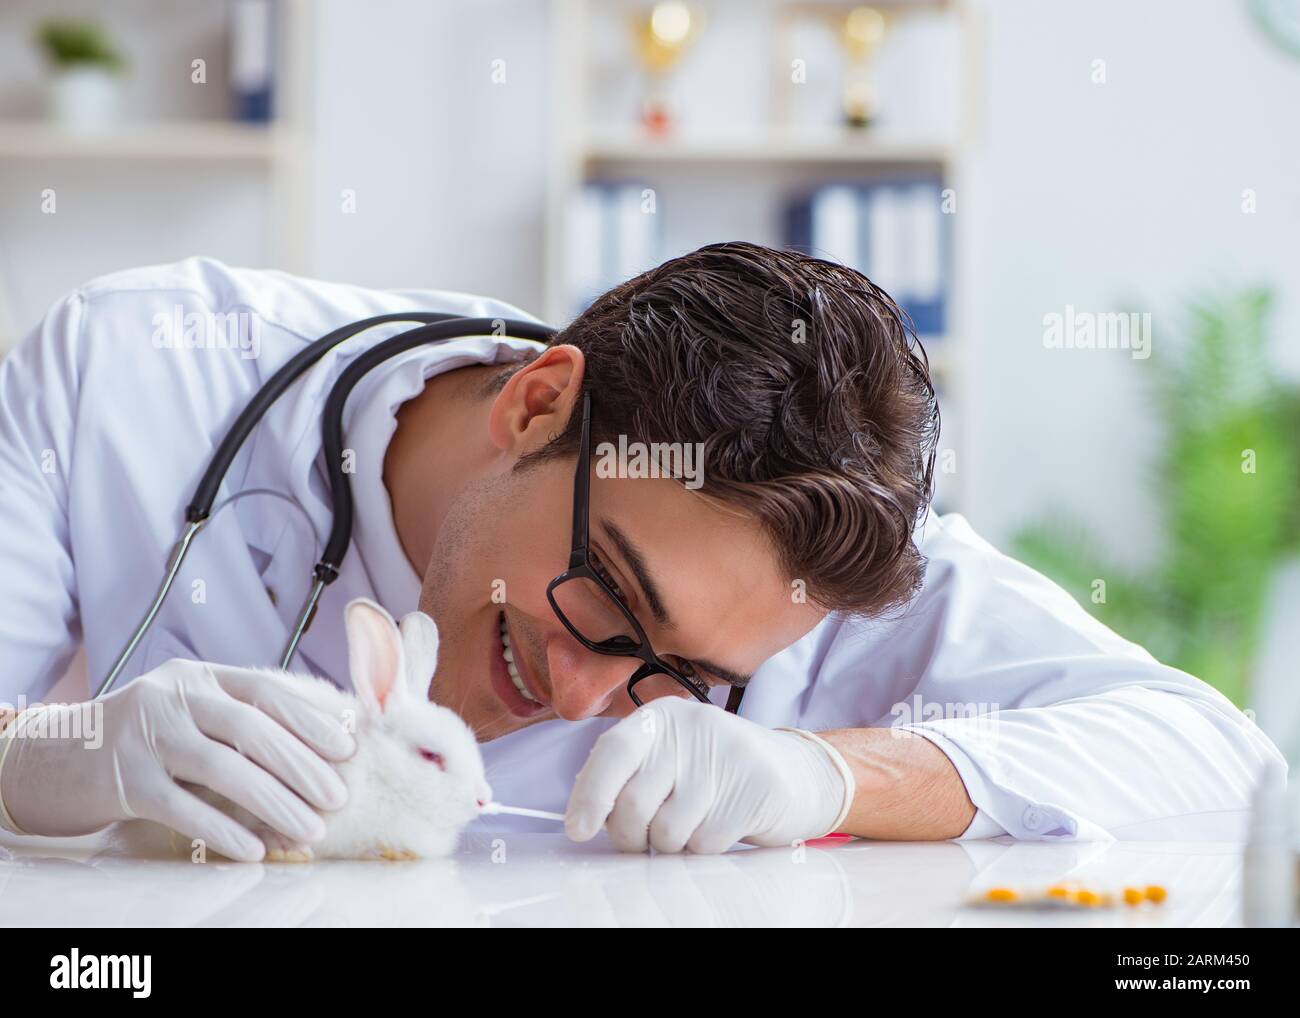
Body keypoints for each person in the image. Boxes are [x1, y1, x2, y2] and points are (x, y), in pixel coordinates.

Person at [0, 244, 1282, 861]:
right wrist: (59, 755)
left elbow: (1215, 751)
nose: (578, 694)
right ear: (537, 403)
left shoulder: (808, 565)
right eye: (607, 592)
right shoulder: (129, 369)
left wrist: (822, 777)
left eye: (681, 672)